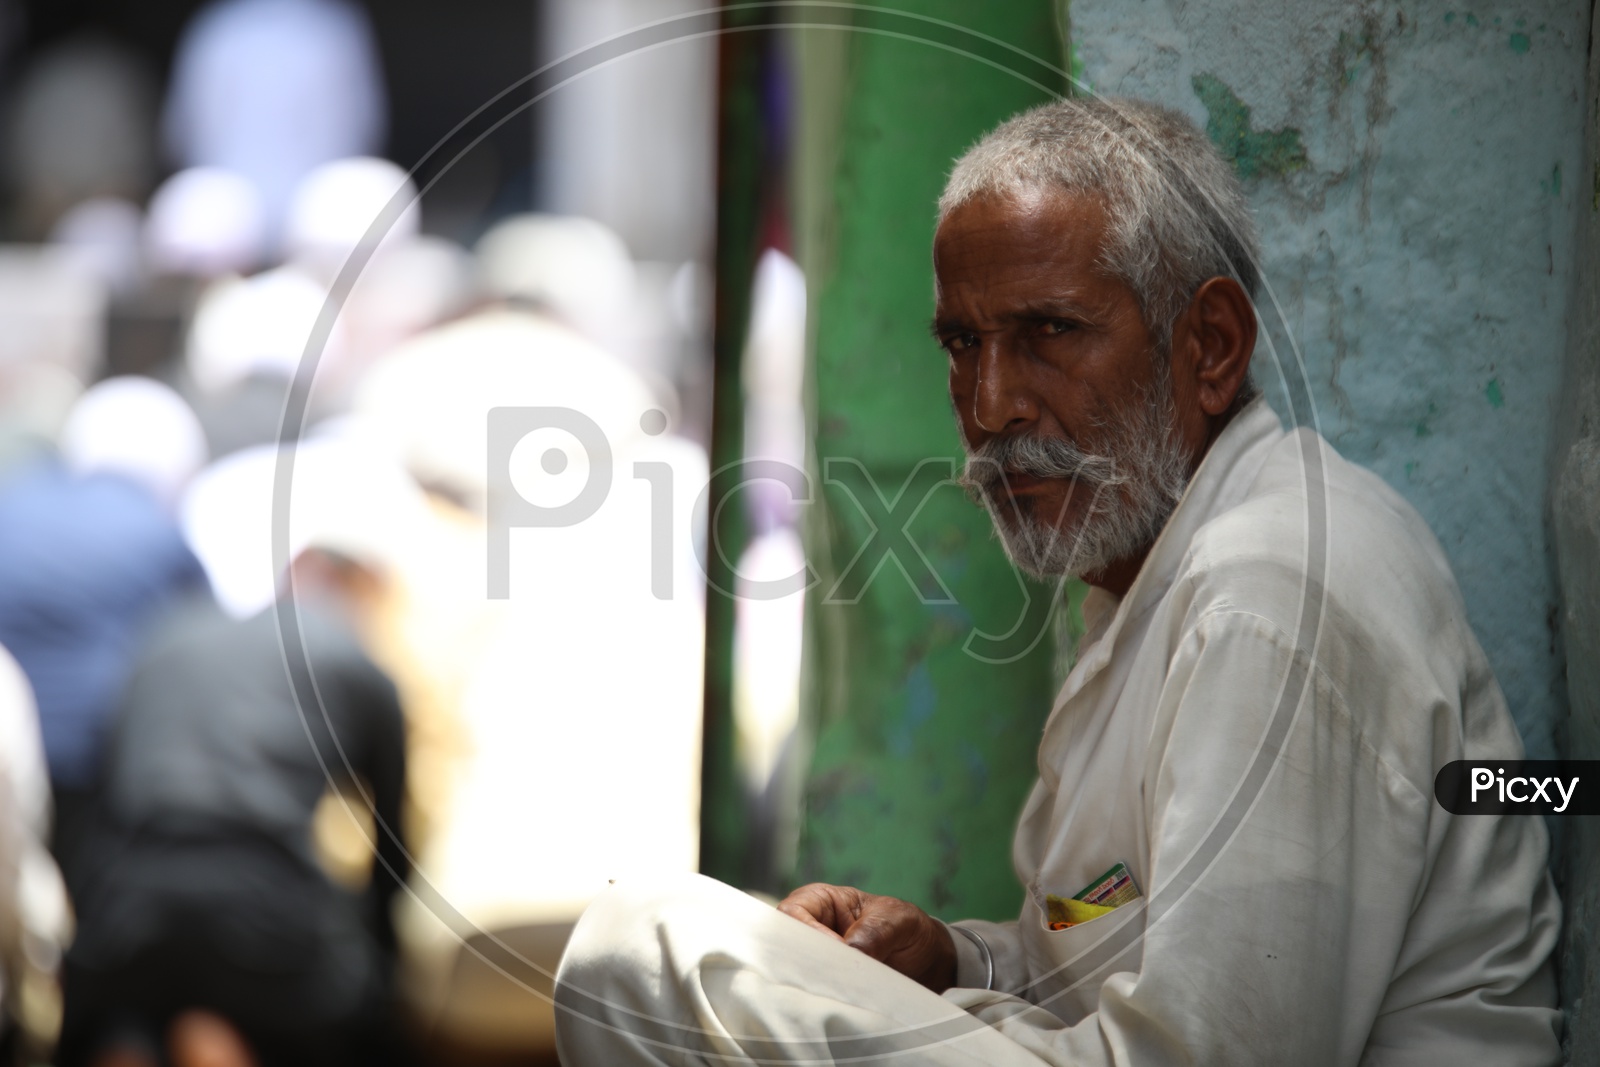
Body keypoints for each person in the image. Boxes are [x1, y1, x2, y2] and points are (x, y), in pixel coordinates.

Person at [552, 97, 1563, 1065]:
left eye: (1048, 332)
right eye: (962, 344)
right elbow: (1109, 961)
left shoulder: (1269, 595)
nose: (990, 405)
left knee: (639, 947)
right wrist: (953, 958)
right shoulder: (1151, 573)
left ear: (1207, 347)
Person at [57, 547, 410, 1067]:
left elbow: (102, 791)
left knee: (131, 1009)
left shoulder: (166, 636)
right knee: (308, 1008)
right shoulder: (355, 659)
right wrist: (388, 972)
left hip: (126, 906)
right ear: (356, 585)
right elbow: (392, 856)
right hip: (263, 914)